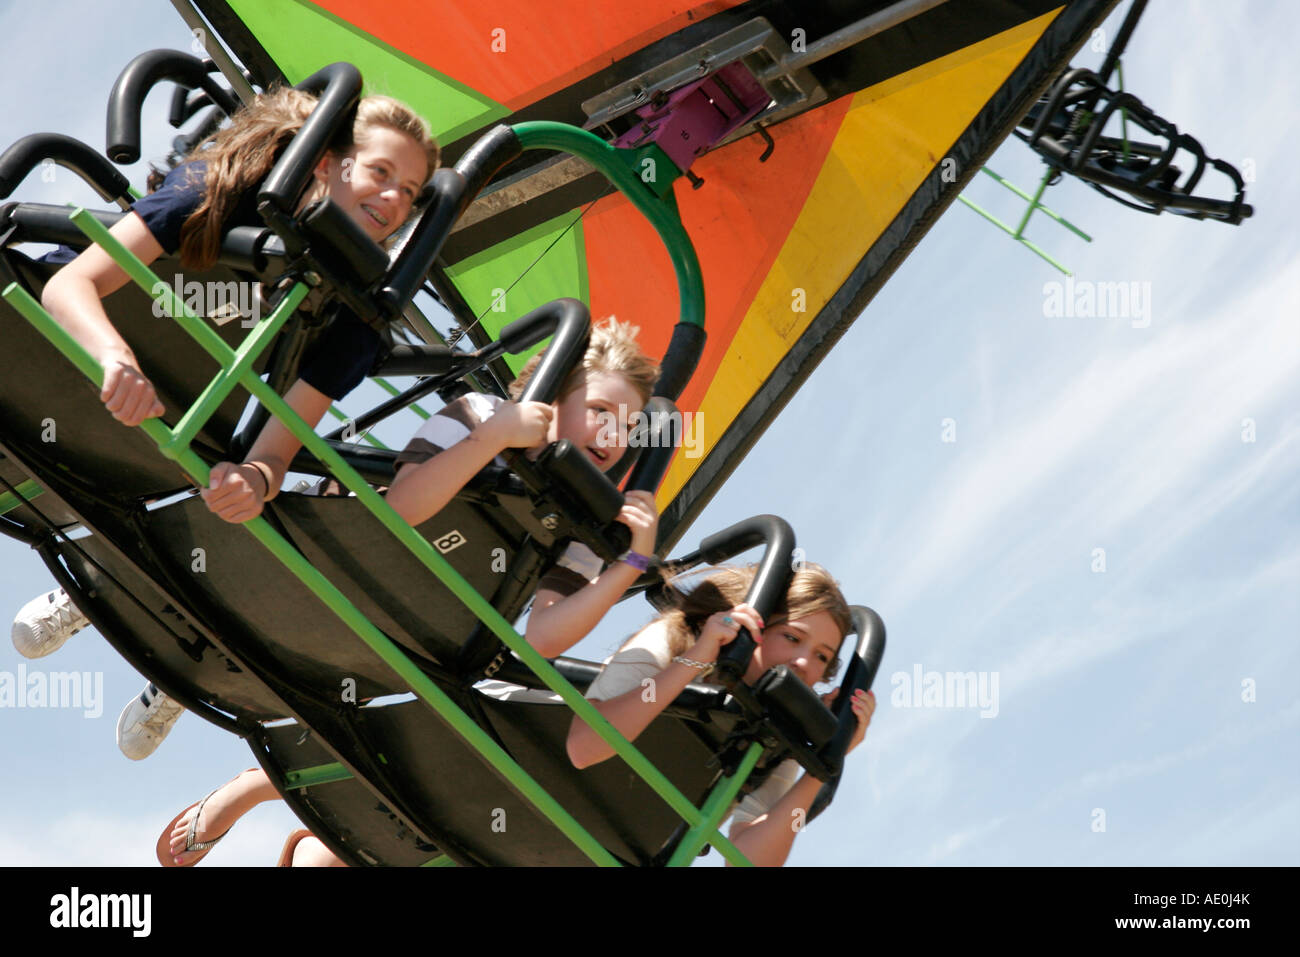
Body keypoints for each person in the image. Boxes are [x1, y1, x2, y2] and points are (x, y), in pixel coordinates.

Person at [10, 84, 440, 758]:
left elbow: (275, 450)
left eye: (409, 192)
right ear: (329, 163)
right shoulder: (216, 190)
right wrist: (114, 357)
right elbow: (71, 284)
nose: (391, 198)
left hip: (161, 419)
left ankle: (113, 593)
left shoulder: (355, 317)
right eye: (380, 172)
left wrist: (255, 480)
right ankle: (96, 574)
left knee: (249, 504)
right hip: (62, 345)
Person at [157, 318, 664, 865]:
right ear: (553, 398)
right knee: (232, 580)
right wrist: (494, 439)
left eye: (628, 428)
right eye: (600, 414)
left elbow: (542, 638)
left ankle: (269, 788)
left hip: (412, 632)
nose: (613, 436)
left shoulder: (586, 522)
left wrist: (628, 564)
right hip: (337, 556)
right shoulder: (482, 414)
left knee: (436, 737)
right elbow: (403, 511)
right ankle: (166, 670)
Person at [566, 563, 876, 867]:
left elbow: (749, 861)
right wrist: (697, 657)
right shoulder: (675, 636)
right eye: (792, 638)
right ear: (755, 621)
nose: (803, 663)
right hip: (539, 759)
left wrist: (823, 762)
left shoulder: (774, 738)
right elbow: (584, 748)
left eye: (821, 657)